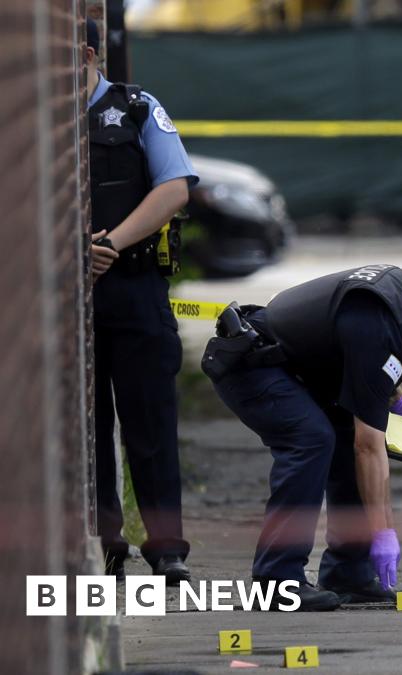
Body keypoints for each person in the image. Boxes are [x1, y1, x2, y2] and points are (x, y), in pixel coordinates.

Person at [205, 265, 402, 611]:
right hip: (252, 363)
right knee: (312, 439)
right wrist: (383, 533)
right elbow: (370, 448)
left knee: (344, 433)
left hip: (293, 367)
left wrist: (396, 398)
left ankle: (349, 572)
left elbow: (365, 361)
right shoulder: (380, 322)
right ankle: (276, 581)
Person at [85, 18, 196, 583]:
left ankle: (166, 548)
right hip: (71, 299)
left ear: (86, 54)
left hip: (134, 288)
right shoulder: (39, 122)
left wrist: (108, 244)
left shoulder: (135, 109)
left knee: (150, 422)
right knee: (89, 428)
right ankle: (107, 544)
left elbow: (174, 187)